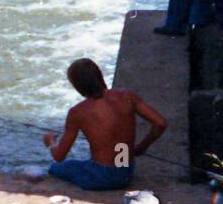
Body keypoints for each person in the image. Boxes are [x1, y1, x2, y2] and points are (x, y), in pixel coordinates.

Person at [42, 58, 168, 190]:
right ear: (99, 76)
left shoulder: (77, 112)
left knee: (56, 167)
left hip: (101, 176)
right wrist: (141, 147)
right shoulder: (127, 97)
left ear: (77, 86)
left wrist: (51, 141)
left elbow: (59, 156)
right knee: (109, 159)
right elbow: (160, 123)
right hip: (125, 171)